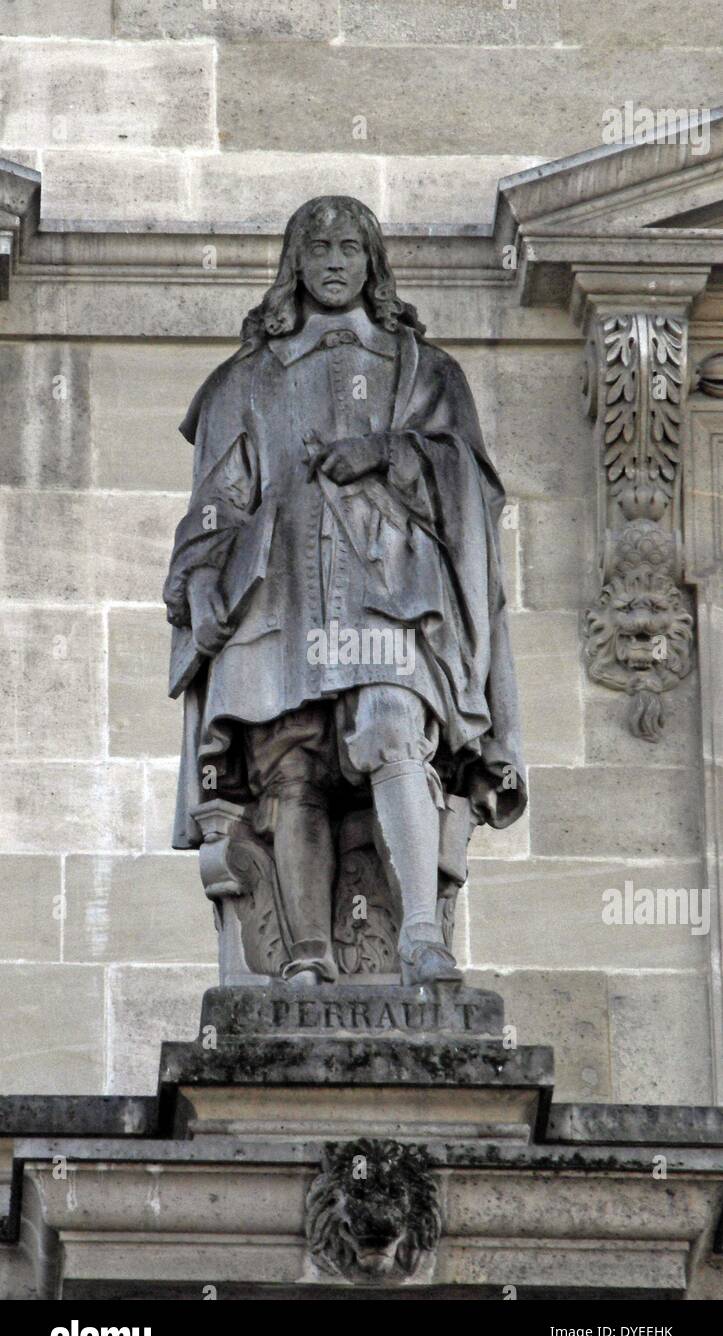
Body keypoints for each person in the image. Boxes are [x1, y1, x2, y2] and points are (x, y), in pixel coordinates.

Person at [163, 195, 526, 986]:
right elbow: (217, 502)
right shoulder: (245, 379)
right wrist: (197, 579)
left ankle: (421, 937)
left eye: (350, 248)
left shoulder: (424, 370)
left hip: (390, 595)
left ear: (373, 265)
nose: (334, 262)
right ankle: (305, 956)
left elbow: (471, 486)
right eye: (318, 247)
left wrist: (389, 455)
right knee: (291, 771)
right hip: (278, 601)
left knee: (396, 732)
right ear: (295, 264)